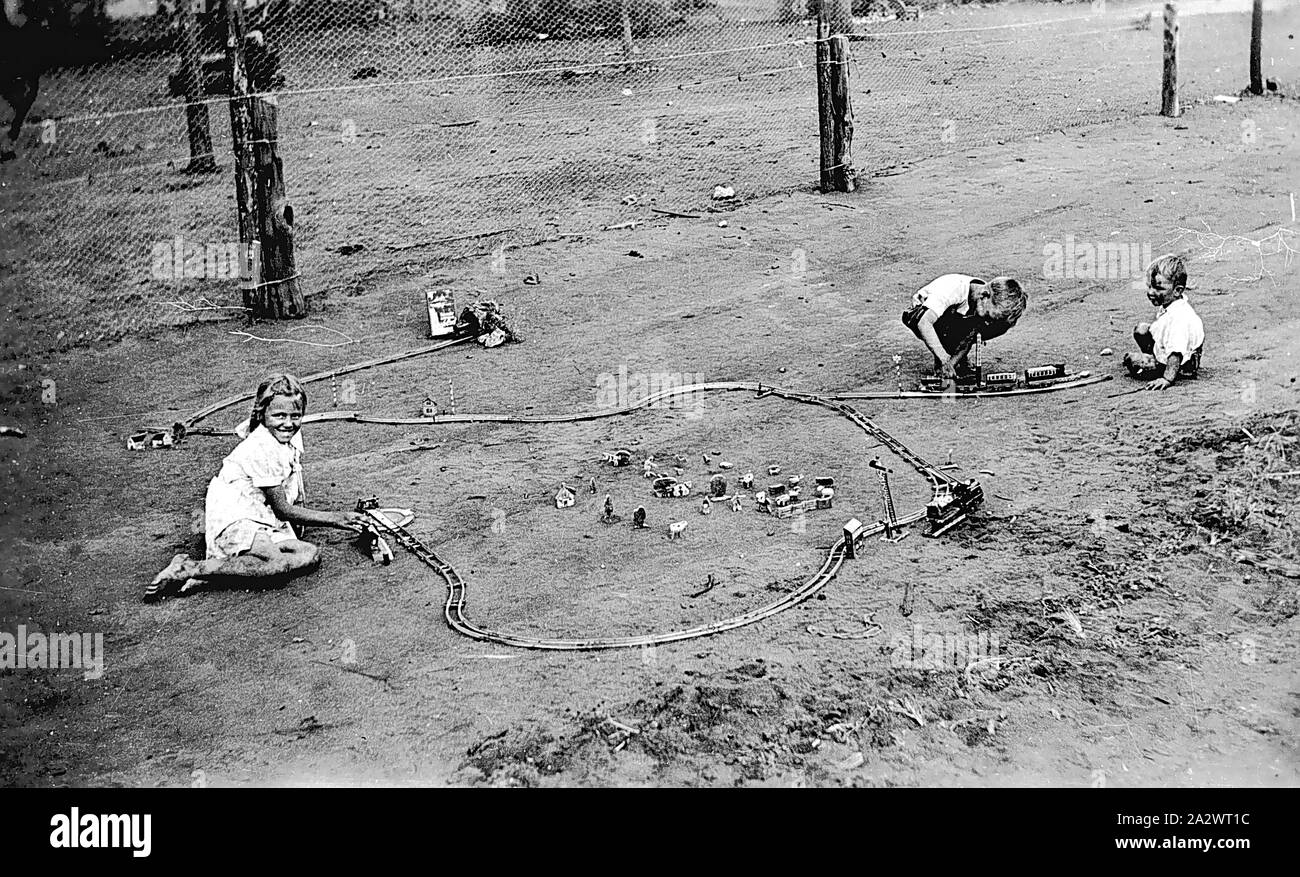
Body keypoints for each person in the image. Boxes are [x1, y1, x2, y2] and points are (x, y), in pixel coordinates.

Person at [144, 373, 367, 602]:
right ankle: (192, 568)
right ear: (263, 414)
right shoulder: (261, 447)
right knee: (276, 565)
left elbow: (291, 481)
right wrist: (336, 518)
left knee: (309, 554)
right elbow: (282, 509)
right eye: (279, 415)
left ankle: (221, 570)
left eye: (295, 416)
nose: (288, 423)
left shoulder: (289, 435)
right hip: (238, 512)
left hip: (262, 512)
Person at [901, 274, 1027, 390]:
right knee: (955, 324)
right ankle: (941, 361)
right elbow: (924, 323)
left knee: (985, 326)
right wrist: (944, 360)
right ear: (984, 296)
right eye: (989, 316)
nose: (988, 323)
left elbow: (968, 338)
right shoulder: (953, 290)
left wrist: (952, 363)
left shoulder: (982, 299)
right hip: (918, 316)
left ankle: (956, 361)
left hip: (954, 320)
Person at [1123, 254, 1204, 391]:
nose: (1150, 292)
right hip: (1169, 349)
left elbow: (1176, 351)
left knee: (1132, 361)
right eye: (1150, 286)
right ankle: (1154, 358)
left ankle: (1164, 368)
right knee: (1141, 330)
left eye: (1158, 289)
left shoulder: (1178, 319)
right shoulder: (1171, 303)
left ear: (1177, 290)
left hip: (1181, 362)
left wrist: (1167, 379)